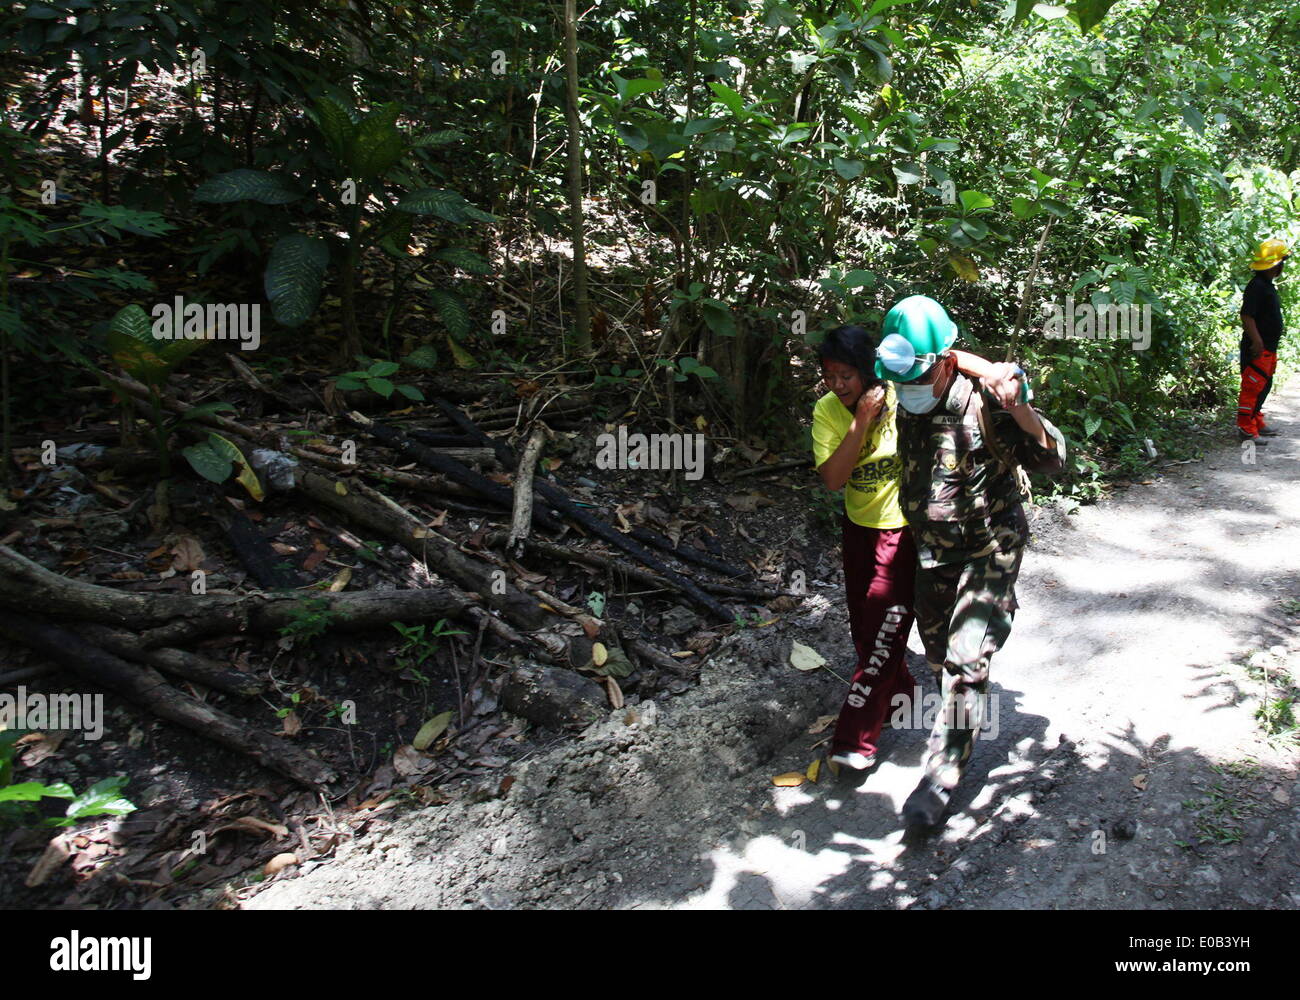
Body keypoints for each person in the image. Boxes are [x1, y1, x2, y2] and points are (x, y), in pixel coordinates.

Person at [872, 295, 1066, 828]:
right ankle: (962, 713)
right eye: (900, 381)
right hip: (934, 551)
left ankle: (940, 777)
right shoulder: (904, 377)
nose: (907, 392)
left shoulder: (986, 400)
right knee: (937, 655)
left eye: (917, 377)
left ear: (941, 363)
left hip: (989, 547)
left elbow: (1056, 456)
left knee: (964, 657)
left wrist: (1020, 406)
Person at [812, 324, 998, 772]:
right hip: (859, 528)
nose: (837, 386)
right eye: (830, 376)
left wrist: (999, 375)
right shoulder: (829, 411)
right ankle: (903, 693)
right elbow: (834, 479)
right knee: (866, 631)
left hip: (908, 530)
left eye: (847, 377)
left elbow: (941, 358)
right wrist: (861, 421)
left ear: (870, 373)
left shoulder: (904, 394)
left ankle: (855, 741)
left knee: (884, 631)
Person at [1237, 238, 1288, 443]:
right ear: (1276, 264)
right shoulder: (1257, 286)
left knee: (1264, 385)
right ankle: (1245, 428)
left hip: (1268, 347)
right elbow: (1247, 316)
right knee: (1252, 387)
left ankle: (1256, 420)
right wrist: (1256, 341)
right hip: (1258, 347)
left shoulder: (1265, 285)